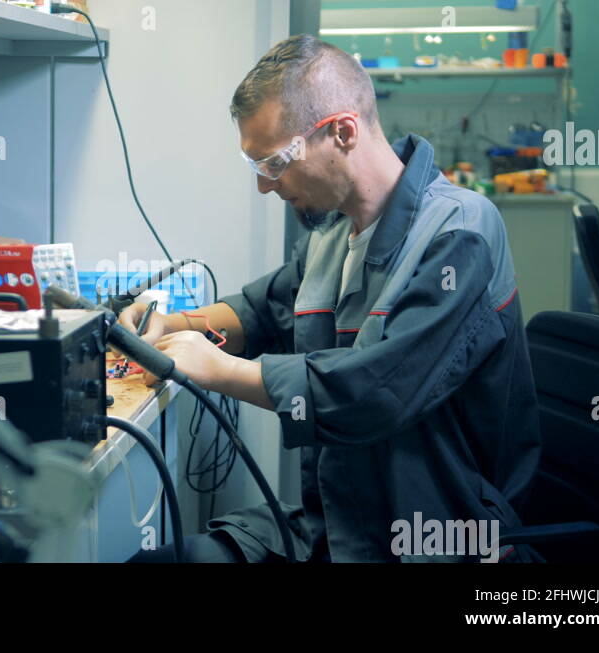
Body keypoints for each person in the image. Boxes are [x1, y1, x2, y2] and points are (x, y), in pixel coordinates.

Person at [124, 35, 541, 563]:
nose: (265, 187)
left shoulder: (459, 234)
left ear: (342, 132)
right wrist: (172, 324)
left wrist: (217, 370)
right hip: (340, 523)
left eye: (274, 164)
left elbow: (376, 393)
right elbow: (261, 310)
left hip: (432, 535)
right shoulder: (332, 233)